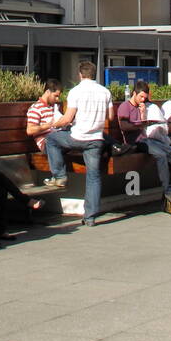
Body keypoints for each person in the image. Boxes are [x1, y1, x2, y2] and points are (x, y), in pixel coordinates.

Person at [42, 61, 113, 227]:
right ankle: (90, 217)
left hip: (77, 137)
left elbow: (67, 119)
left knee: (52, 140)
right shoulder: (105, 91)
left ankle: (59, 175)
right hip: (96, 139)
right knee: (94, 177)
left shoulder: (75, 92)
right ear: (94, 74)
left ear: (80, 75)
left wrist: (54, 125)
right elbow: (110, 116)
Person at [117, 82, 171, 208]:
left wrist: (143, 115)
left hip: (146, 139)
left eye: (145, 98)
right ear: (134, 93)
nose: (143, 100)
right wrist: (141, 124)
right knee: (161, 155)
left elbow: (143, 126)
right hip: (134, 142)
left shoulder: (142, 107)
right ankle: (167, 191)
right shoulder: (125, 106)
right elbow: (124, 126)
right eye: (141, 97)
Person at [26, 81, 65, 152]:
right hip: (46, 142)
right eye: (55, 96)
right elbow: (30, 130)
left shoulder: (54, 106)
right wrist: (48, 125)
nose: (57, 99)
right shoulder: (36, 108)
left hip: (58, 137)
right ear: (47, 92)